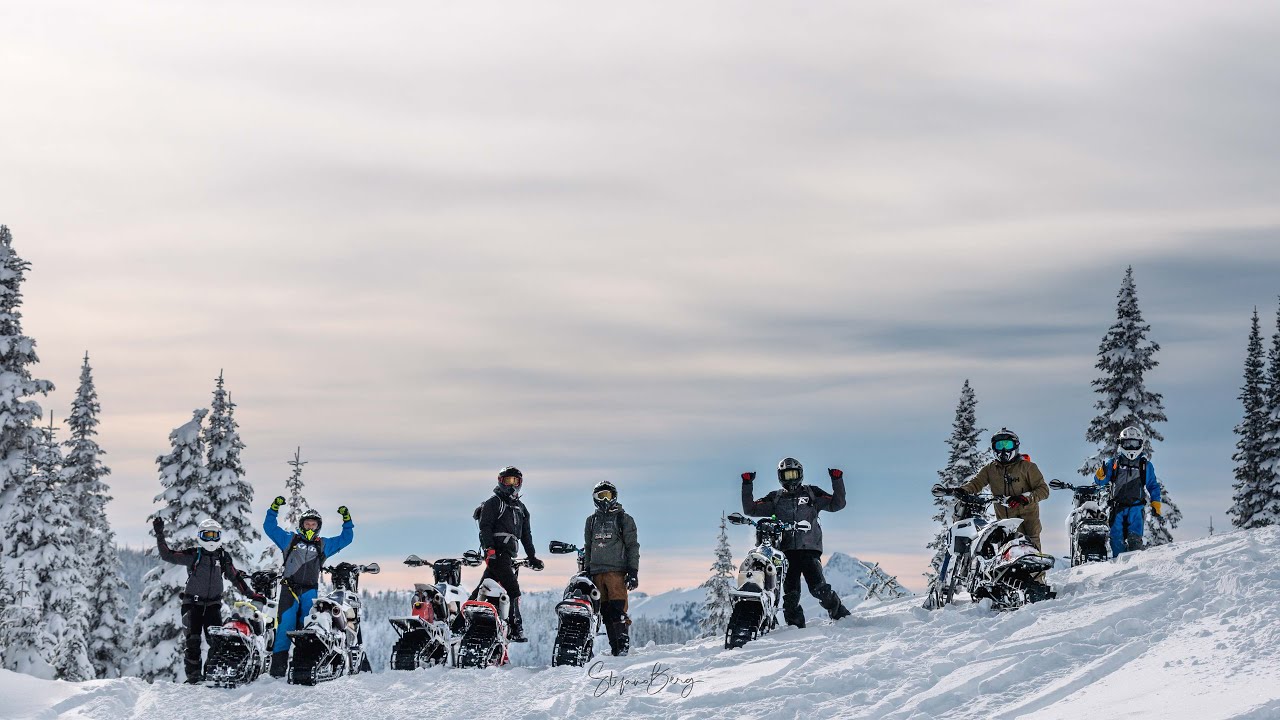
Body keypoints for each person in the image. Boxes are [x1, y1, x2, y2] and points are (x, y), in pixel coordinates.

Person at [741, 457, 851, 628]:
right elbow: (751, 509)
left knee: (819, 589)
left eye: (794, 474)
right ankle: (795, 629)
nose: (791, 479)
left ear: (800, 474)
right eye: (786, 475)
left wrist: (837, 480)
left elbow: (838, 504)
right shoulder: (775, 498)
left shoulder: (812, 493)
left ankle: (842, 617)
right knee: (791, 595)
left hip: (809, 550)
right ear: (780, 477)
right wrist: (747, 485)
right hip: (785, 553)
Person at [153, 516, 261, 684]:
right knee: (193, 642)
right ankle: (194, 678)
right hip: (192, 605)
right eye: (207, 535)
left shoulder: (223, 557)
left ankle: (212, 673)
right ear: (200, 536)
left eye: (214, 535)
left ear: (219, 537)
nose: (211, 539)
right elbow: (168, 555)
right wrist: (160, 534)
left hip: (212, 606)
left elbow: (235, 577)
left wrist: (251, 594)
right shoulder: (194, 554)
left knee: (217, 641)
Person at [262, 497, 354, 677]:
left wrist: (347, 520)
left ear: (318, 526)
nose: (310, 527)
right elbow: (270, 528)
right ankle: (277, 673)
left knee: (307, 631)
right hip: (289, 590)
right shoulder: (290, 540)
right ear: (301, 525)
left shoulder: (323, 545)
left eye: (313, 524)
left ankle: (300, 670)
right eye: (307, 524)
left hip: (310, 592)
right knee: (284, 629)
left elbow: (346, 538)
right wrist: (273, 509)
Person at [475, 465, 543, 642]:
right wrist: (489, 549)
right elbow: (485, 527)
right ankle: (515, 628)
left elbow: (526, 535)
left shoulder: (521, 508)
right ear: (501, 481)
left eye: (516, 481)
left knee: (483, 587)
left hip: (509, 555)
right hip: (498, 553)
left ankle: (459, 625)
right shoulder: (494, 502)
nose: (512, 484)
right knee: (512, 588)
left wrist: (532, 557)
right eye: (508, 480)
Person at [958, 428, 1050, 551]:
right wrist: (963, 490)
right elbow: (976, 483)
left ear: (1015, 446)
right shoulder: (990, 469)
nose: (1003, 450)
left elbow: (1043, 490)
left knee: (1031, 556)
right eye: (999, 445)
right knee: (1005, 557)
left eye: (1007, 445)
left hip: (1028, 521)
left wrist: (1024, 497)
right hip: (1005, 524)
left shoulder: (1027, 467)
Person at [582, 480, 640, 656]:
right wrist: (587, 570)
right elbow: (588, 547)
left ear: (615, 497)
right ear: (595, 498)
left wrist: (633, 571)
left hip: (617, 572)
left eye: (609, 495)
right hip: (596, 573)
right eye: (602, 495)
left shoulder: (624, 519)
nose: (605, 499)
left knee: (618, 609)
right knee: (605, 611)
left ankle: (622, 646)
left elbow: (632, 546)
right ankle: (615, 648)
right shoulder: (591, 521)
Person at [1094, 426, 1162, 557]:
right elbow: (1100, 482)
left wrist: (1156, 503)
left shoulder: (1145, 465)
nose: (1131, 447)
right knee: (1116, 540)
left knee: (1135, 540)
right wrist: (1100, 474)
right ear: (1121, 444)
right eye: (1128, 443)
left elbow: (1153, 485)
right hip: (1117, 507)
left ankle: (1134, 569)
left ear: (1140, 444)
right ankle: (1119, 570)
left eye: (1134, 443)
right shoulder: (1114, 463)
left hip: (1136, 507)